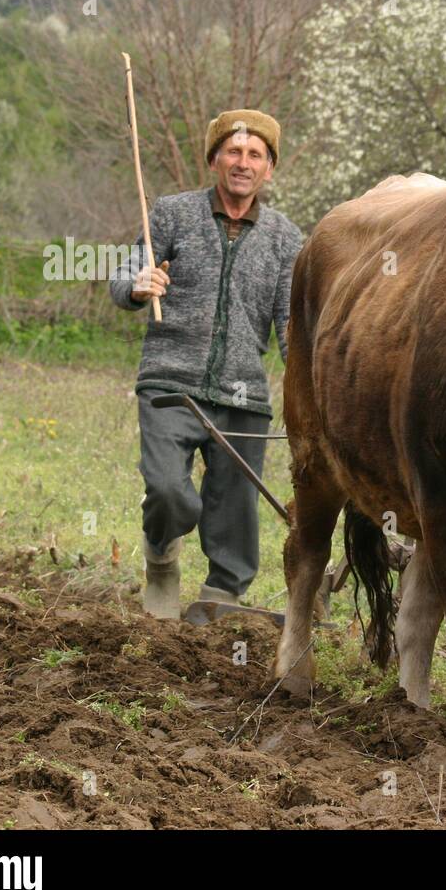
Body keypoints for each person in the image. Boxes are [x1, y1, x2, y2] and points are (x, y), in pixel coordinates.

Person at [109, 110, 304, 618]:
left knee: (236, 510)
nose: (243, 163)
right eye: (234, 152)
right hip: (170, 384)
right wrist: (138, 285)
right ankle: (161, 559)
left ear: (269, 169)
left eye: (255, 155)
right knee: (171, 493)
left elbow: (290, 325)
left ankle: (221, 598)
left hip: (243, 395)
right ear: (215, 159)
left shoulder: (287, 239)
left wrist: (310, 388)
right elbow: (125, 274)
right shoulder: (172, 214)